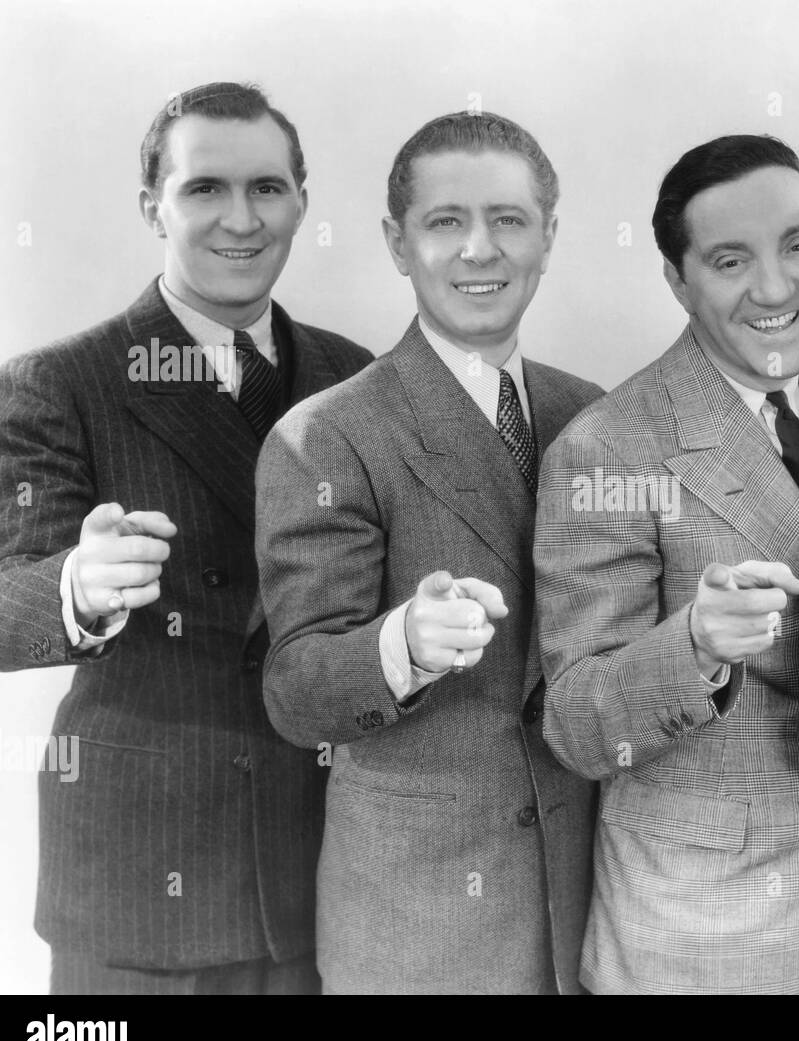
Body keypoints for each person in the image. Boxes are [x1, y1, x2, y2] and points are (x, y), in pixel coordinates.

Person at [0, 82, 372, 993]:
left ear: (302, 201)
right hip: (141, 875)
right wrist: (76, 584)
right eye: (204, 189)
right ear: (153, 205)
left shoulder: (356, 376)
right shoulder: (62, 381)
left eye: (268, 188)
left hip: (322, 868)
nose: (241, 218)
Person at [535, 134, 799, 994]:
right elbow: (579, 725)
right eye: (732, 260)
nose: (775, 288)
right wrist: (693, 645)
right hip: (698, 947)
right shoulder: (609, 448)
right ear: (676, 278)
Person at [254, 112, 601, 994]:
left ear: (548, 239)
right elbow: (295, 689)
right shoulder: (327, 437)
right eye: (445, 222)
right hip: (418, 932)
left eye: (509, 220)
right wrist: (401, 645)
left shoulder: (592, 415)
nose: (479, 250)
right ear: (397, 244)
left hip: (585, 906)